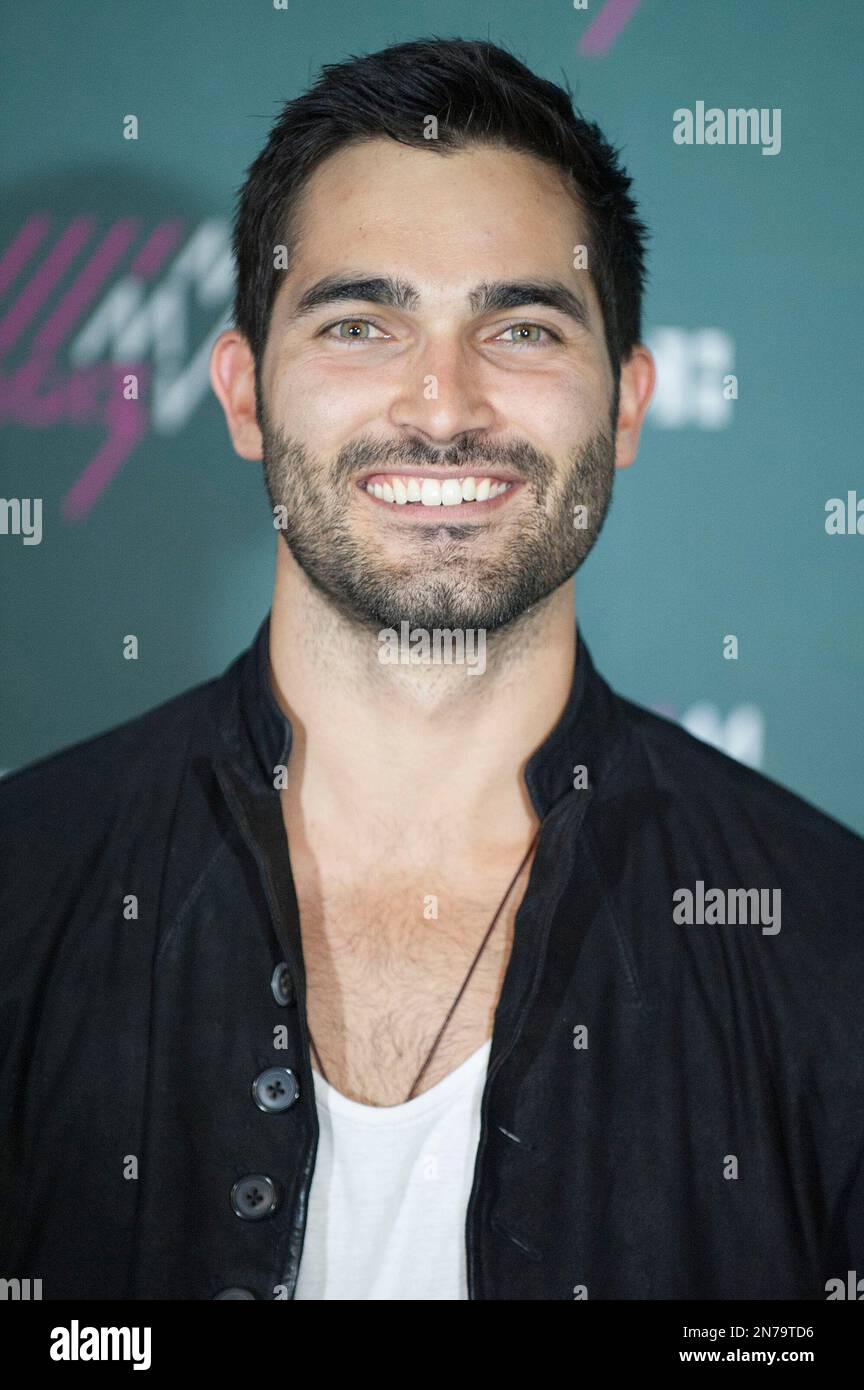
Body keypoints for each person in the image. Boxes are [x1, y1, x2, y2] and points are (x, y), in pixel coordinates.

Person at [1, 38, 862, 1302]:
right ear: (244, 394)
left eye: (519, 326)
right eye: (361, 322)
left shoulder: (832, 950)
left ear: (627, 404)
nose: (444, 404)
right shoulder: (24, 888)